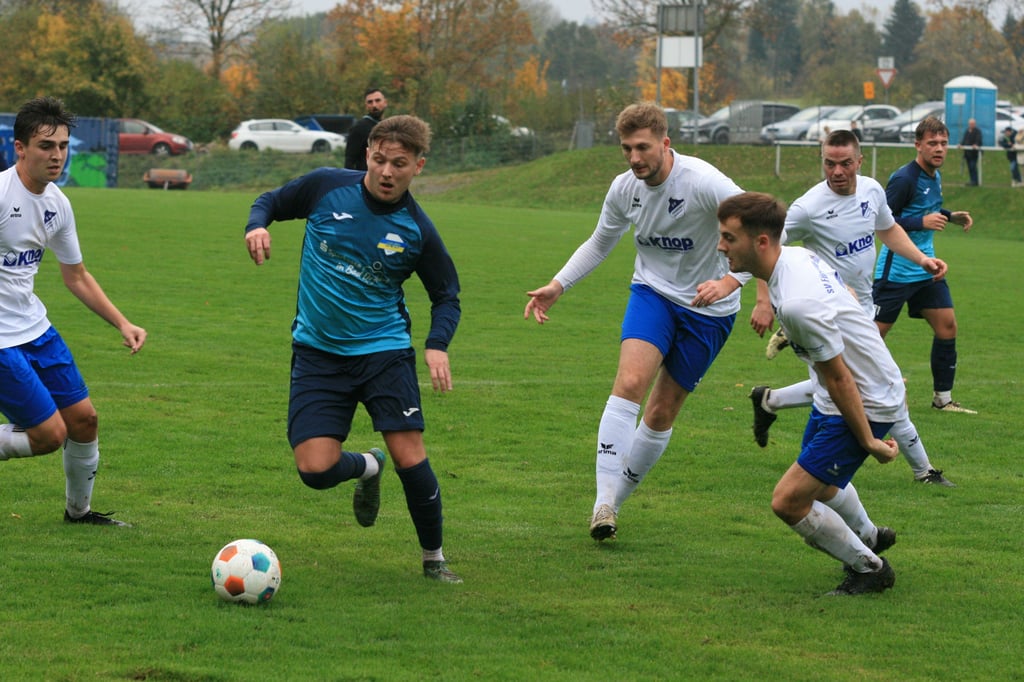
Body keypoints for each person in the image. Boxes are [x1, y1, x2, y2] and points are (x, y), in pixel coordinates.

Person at [244, 115, 464, 583]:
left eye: (399, 164)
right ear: (367, 153)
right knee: (315, 469)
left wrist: (437, 345)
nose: (387, 172)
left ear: (418, 166)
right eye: (380, 160)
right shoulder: (326, 188)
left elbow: (446, 293)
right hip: (318, 354)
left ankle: (434, 559)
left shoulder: (416, 229)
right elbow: (270, 201)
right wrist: (256, 226)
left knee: (411, 456)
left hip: (383, 353)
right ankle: (367, 466)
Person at [524, 102, 748, 542]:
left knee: (662, 412)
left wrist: (732, 281)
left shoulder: (704, 182)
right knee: (629, 382)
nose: (634, 158)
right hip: (653, 295)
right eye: (626, 148)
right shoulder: (624, 188)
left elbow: (759, 227)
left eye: (642, 147)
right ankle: (601, 501)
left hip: (709, 311)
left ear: (666, 143)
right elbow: (600, 241)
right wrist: (558, 285)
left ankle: (616, 502)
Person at [718, 191, 900, 596]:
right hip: (837, 396)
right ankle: (869, 537)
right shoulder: (797, 258)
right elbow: (847, 298)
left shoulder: (798, 302)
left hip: (864, 399)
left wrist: (870, 441)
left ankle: (870, 568)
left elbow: (839, 378)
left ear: (761, 241)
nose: (721, 245)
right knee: (822, 483)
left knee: (788, 501)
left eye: (729, 238)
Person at [748, 130, 954, 486]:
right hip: (830, 315)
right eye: (830, 163)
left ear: (859, 161)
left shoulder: (872, 190)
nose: (837, 171)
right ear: (822, 162)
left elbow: (887, 230)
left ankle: (770, 402)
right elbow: (764, 248)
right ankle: (924, 471)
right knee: (884, 387)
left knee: (841, 388)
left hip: (863, 307)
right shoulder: (808, 207)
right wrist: (763, 300)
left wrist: (922, 259)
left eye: (845, 163)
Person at [0, 96, 146, 525]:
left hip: (34, 328)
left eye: (63, 145)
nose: (57, 155)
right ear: (20, 148)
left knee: (84, 420)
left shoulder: (57, 204)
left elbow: (76, 276)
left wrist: (122, 322)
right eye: (46, 146)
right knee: (48, 436)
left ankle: (78, 514)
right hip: (1, 342)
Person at [875, 116, 975, 414]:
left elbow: (926, 207)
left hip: (928, 269)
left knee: (947, 327)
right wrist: (921, 221)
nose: (939, 149)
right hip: (896, 272)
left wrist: (949, 215)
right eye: (932, 143)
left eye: (943, 143)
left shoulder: (934, 176)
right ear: (918, 145)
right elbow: (881, 220)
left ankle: (942, 399)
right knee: (871, 336)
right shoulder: (905, 178)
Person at [344, 88, 388, 171]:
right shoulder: (359, 127)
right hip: (365, 178)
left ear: (385, 102)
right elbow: (350, 159)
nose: (374, 105)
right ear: (366, 105)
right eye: (370, 102)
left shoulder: (387, 126)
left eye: (377, 100)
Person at [958, 118, 982, 186]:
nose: (971, 125)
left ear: (975, 124)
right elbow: (964, 140)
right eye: (970, 124)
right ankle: (972, 180)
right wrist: (961, 144)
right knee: (969, 167)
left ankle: (975, 181)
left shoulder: (977, 131)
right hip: (967, 153)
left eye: (972, 124)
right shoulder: (967, 131)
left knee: (973, 166)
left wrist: (976, 144)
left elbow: (979, 140)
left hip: (974, 153)